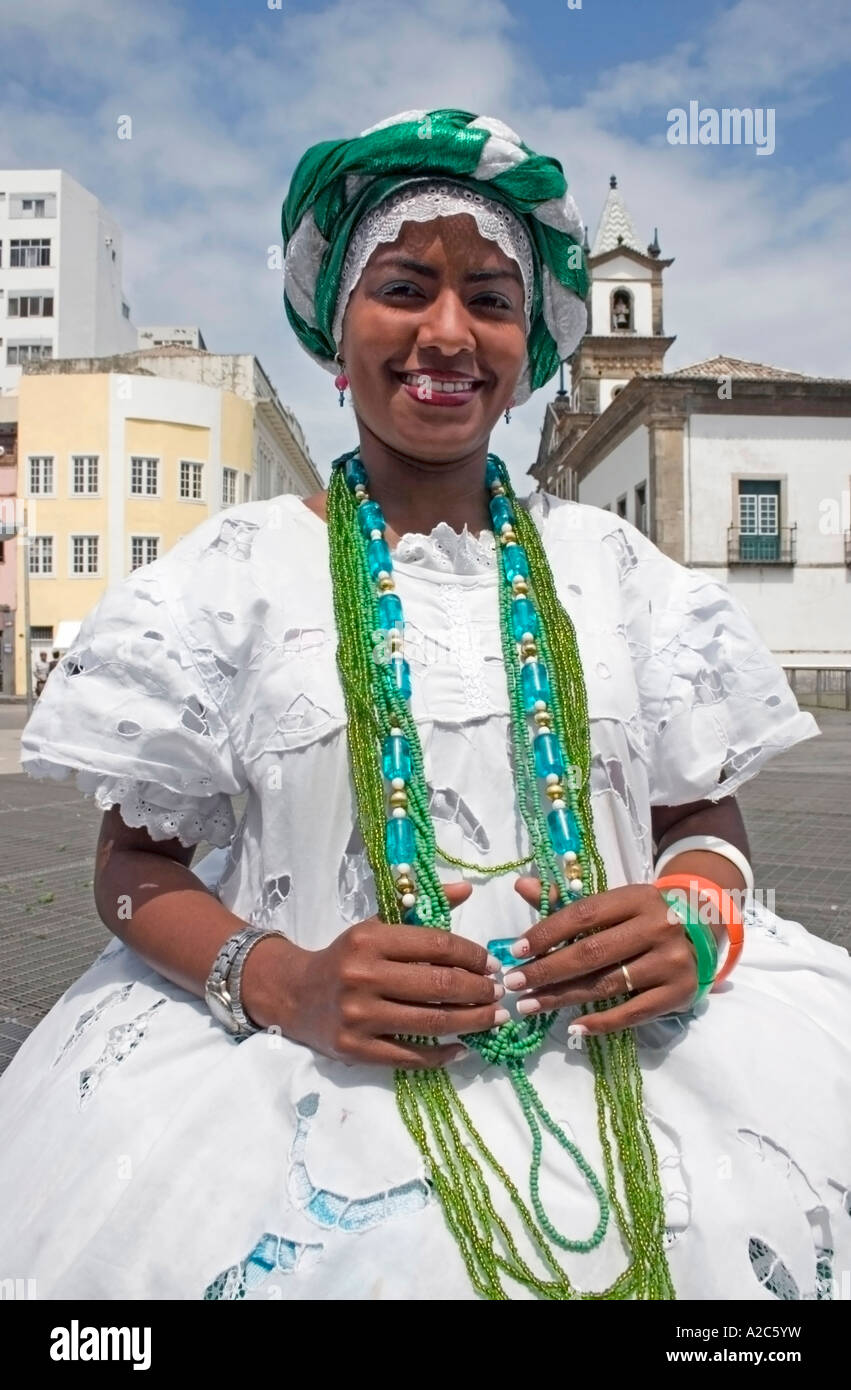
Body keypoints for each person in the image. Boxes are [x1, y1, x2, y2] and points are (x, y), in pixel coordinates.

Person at [0, 109, 848, 1302]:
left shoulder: (617, 572)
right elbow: (132, 864)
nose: (446, 331)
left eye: (491, 299)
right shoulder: (226, 580)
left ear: (527, 342)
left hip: (632, 1070)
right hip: (306, 1091)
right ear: (335, 330)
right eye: (404, 286)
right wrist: (281, 978)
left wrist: (695, 917)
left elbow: (697, 820)